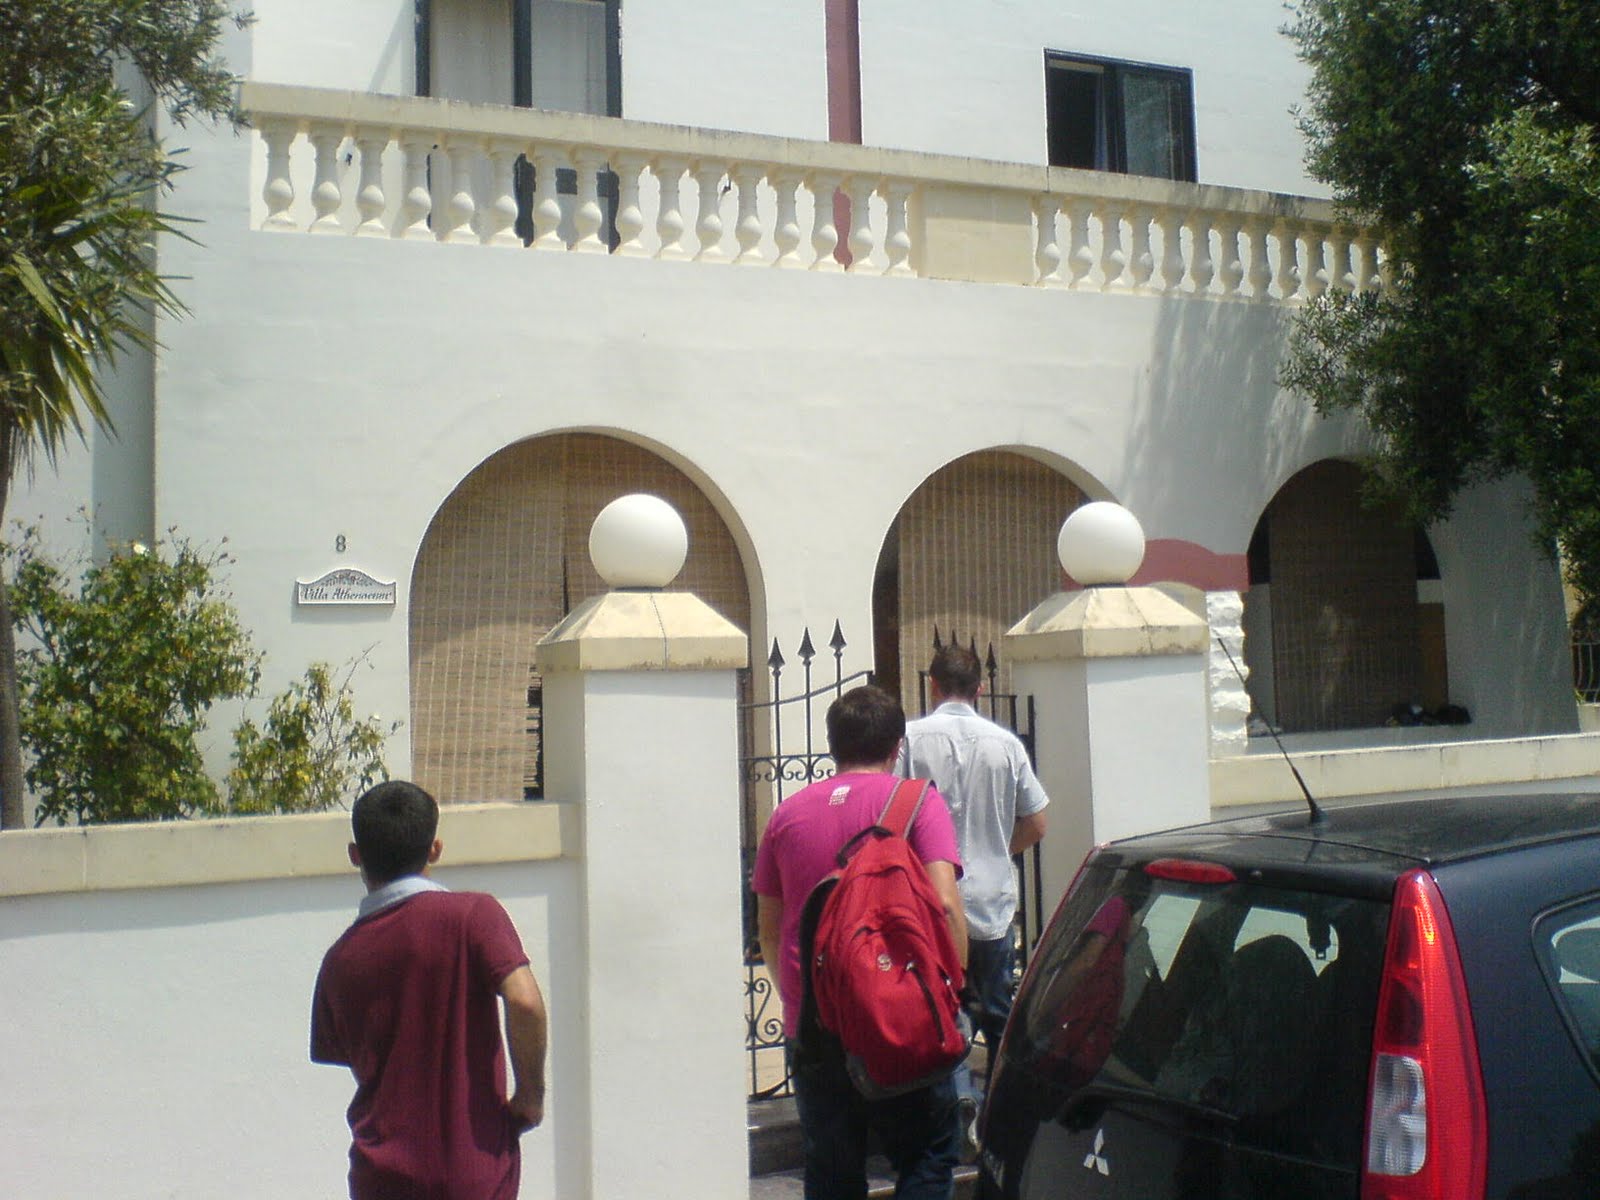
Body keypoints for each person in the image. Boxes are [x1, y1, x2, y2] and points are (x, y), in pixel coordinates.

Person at [753, 685, 968, 1200]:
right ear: (898, 745)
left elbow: (769, 928)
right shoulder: (917, 803)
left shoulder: (786, 815)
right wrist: (950, 993)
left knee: (832, 1171)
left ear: (832, 745)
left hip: (816, 1025)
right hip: (899, 1015)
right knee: (926, 1156)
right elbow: (944, 905)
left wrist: (798, 996)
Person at [311, 780, 549, 1200]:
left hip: (381, 1178)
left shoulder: (339, 959)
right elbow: (524, 1000)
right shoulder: (474, 916)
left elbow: (358, 1061)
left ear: (355, 854)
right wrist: (530, 1096)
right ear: (435, 849)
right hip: (474, 1171)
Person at [899, 643, 1049, 1149]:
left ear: (933, 685)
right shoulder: (1006, 745)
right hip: (990, 901)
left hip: (930, 898)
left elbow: (893, 815)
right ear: (980, 688)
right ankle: (1014, 1103)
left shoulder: (910, 740)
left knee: (943, 1007)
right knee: (998, 1008)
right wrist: (999, 849)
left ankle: (959, 1095)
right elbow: (1037, 822)